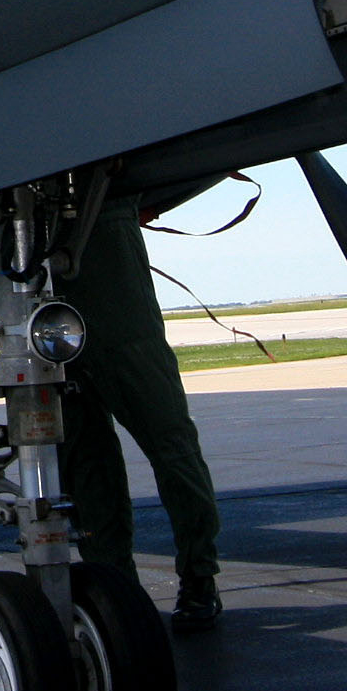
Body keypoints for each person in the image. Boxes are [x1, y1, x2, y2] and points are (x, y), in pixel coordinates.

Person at [59, 197, 224, 631]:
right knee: (85, 463)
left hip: (110, 275)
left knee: (170, 444)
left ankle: (199, 576)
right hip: (40, 291)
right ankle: (115, 589)